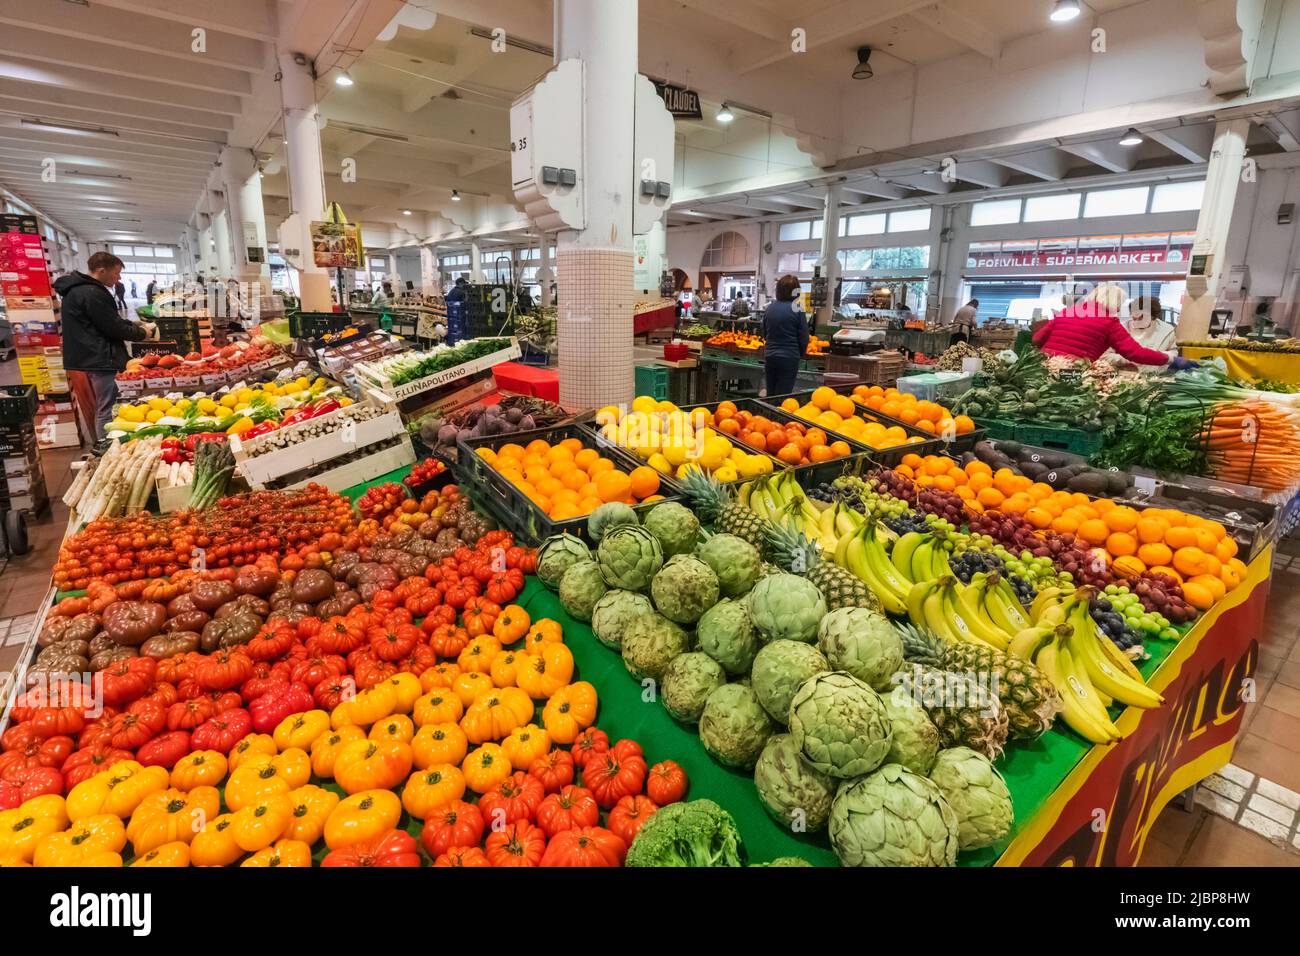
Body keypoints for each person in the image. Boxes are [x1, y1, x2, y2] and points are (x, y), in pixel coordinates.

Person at [57, 253, 157, 442]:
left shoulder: (79, 291)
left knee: (104, 406)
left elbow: (104, 320)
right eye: (116, 273)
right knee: (108, 409)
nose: (118, 279)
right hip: (99, 358)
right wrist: (142, 334)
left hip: (90, 356)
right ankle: (106, 449)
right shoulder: (91, 293)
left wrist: (131, 324)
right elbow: (111, 327)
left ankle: (105, 444)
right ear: (102, 270)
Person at [1034, 283, 1195, 369]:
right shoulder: (1109, 322)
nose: (1119, 308)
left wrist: (1055, 350)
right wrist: (1170, 359)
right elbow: (1136, 353)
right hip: (1072, 371)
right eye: (1120, 304)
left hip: (1041, 366)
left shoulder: (1068, 311)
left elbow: (1037, 338)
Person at [763, 275, 809, 396]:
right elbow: (804, 336)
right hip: (789, 357)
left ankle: (768, 414)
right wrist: (801, 354)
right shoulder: (798, 309)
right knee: (782, 396)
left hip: (770, 356)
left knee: (770, 394)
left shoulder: (769, 308)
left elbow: (764, 333)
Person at [1111, 294, 1177, 363]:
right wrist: (1128, 358)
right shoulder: (1122, 328)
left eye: (1141, 318)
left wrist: (1160, 356)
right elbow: (1107, 355)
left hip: (1156, 372)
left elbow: (1173, 352)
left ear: (1153, 317)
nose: (1136, 321)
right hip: (1126, 372)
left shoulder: (1167, 330)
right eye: (1134, 318)